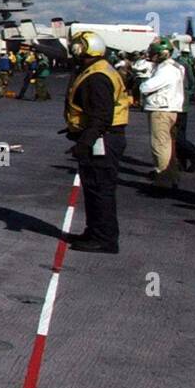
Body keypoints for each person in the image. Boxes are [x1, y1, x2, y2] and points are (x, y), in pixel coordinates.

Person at [63, 31, 130, 253]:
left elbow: (102, 116)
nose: (74, 51)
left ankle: (105, 239)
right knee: (94, 188)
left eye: (76, 48)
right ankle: (95, 231)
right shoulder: (99, 69)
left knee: (100, 189)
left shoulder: (97, 77)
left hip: (103, 139)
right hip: (104, 137)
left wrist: (83, 144)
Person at [140, 40, 184, 189]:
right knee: (169, 146)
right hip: (171, 109)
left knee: (160, 145)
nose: (151, 56)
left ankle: (163, 181)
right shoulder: (175, 66)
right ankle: (172, 177)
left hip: (161, 109)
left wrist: (142, 83)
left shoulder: (166, 69)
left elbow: (146, 87)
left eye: (154, 53)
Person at [174, 45, 195, 172]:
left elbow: (191, 80)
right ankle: (181, 163)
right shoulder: (185, 63)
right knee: (179, 134)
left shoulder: (180, 64)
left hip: (177, 103)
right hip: (181, 102)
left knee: (176, 135)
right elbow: (191, 81)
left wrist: (186, 93)